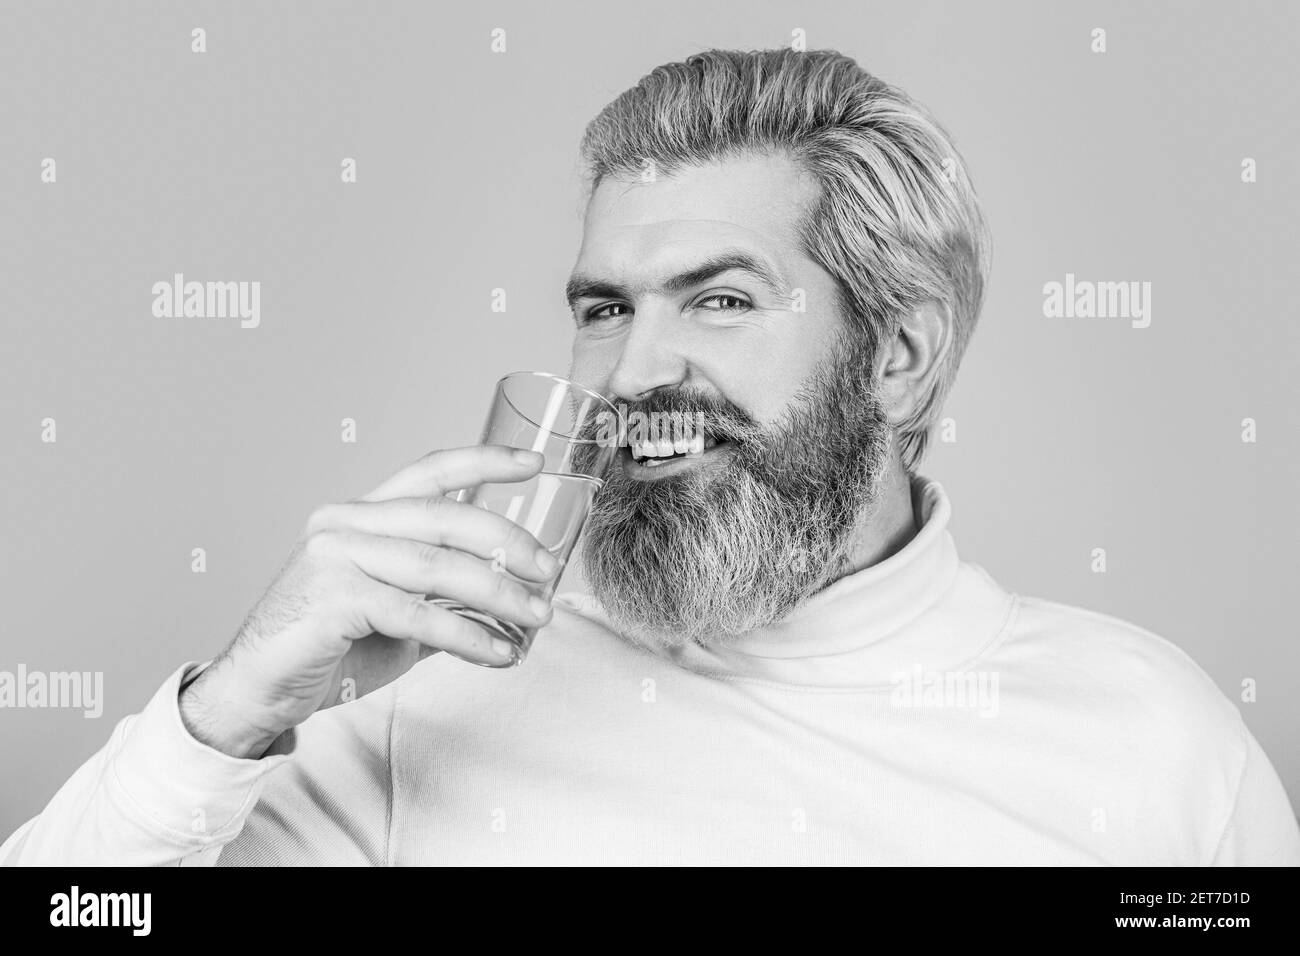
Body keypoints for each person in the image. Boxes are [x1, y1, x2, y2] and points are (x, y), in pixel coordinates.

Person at [3, 48, 1296, 866]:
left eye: (722, 301)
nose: (626, 376)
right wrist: (227, 714)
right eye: (606, 308)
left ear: (900, 355)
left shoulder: (1149, 742)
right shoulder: (420, 688)